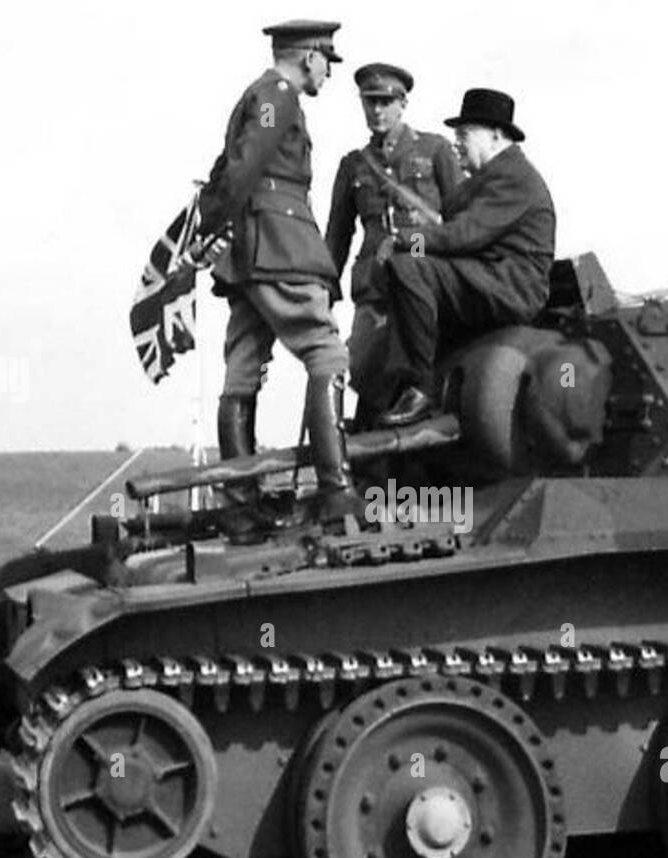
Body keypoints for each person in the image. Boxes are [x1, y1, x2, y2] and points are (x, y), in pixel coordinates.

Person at [197, 20, 360, 522]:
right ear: (308, 55)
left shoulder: (263, 95)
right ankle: (337, 491)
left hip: (252, 253)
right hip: (279, 246)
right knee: (327, 353)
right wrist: (214, 224)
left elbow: (229, 167)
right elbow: (244, 164)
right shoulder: (277, 97)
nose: (328, 73)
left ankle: (240, 503)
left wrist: (215, 227)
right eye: (326, 62)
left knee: (243, 365)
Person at [376, 88, 556, 428]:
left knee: (410, 266)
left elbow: (464, 235)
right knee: (410, 268)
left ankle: (421, 387)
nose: (456, 143)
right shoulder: (490, 178)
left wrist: (405, 241)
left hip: (510, 287)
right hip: (486, 276)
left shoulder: (514, 177)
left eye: (463, 134)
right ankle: (411, 382)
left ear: (495, 136)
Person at [324, 64, 463, 429]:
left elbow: (461, 219)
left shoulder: (435, 151)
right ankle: (378, 474)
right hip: (375, 285)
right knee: (369, 371)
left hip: (424, 276)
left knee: (430, 368)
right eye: (370, 102)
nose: (377, 111)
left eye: (385, 102)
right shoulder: (353, 165)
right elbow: (337, 236)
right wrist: (323, 289)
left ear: (403, 103)